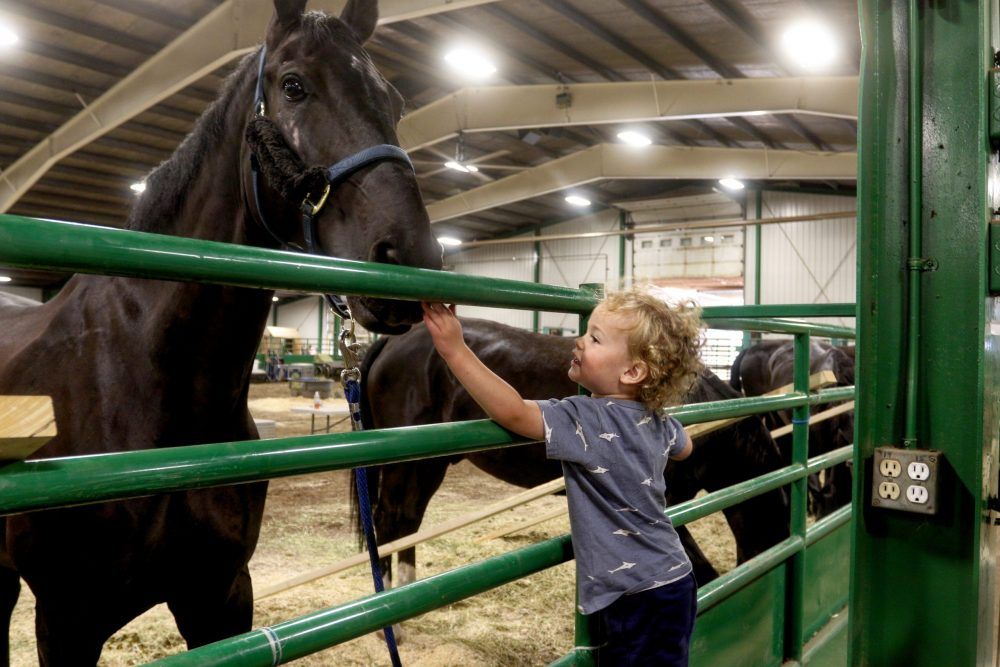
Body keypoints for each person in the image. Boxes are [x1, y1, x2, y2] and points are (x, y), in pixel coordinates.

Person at [421, 288, 704, 666]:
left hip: (637, 596)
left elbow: (513, 412)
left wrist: (454, 349)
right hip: (673, 578)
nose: (579, 341)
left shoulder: (585, 419)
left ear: (633, 371)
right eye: (587, 332)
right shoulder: (657, 419)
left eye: (595, 338)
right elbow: (685, 447)